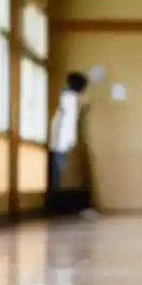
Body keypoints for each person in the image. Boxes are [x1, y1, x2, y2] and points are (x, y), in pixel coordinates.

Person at [49, 71, 99, 218]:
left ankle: (65, 210)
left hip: (60, 143)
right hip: (68, 144)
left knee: (64, 178)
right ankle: (75, 209)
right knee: (73, 178)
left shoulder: (64, 98)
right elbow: (70, 123)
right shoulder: (71, 99)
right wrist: (71, 144)